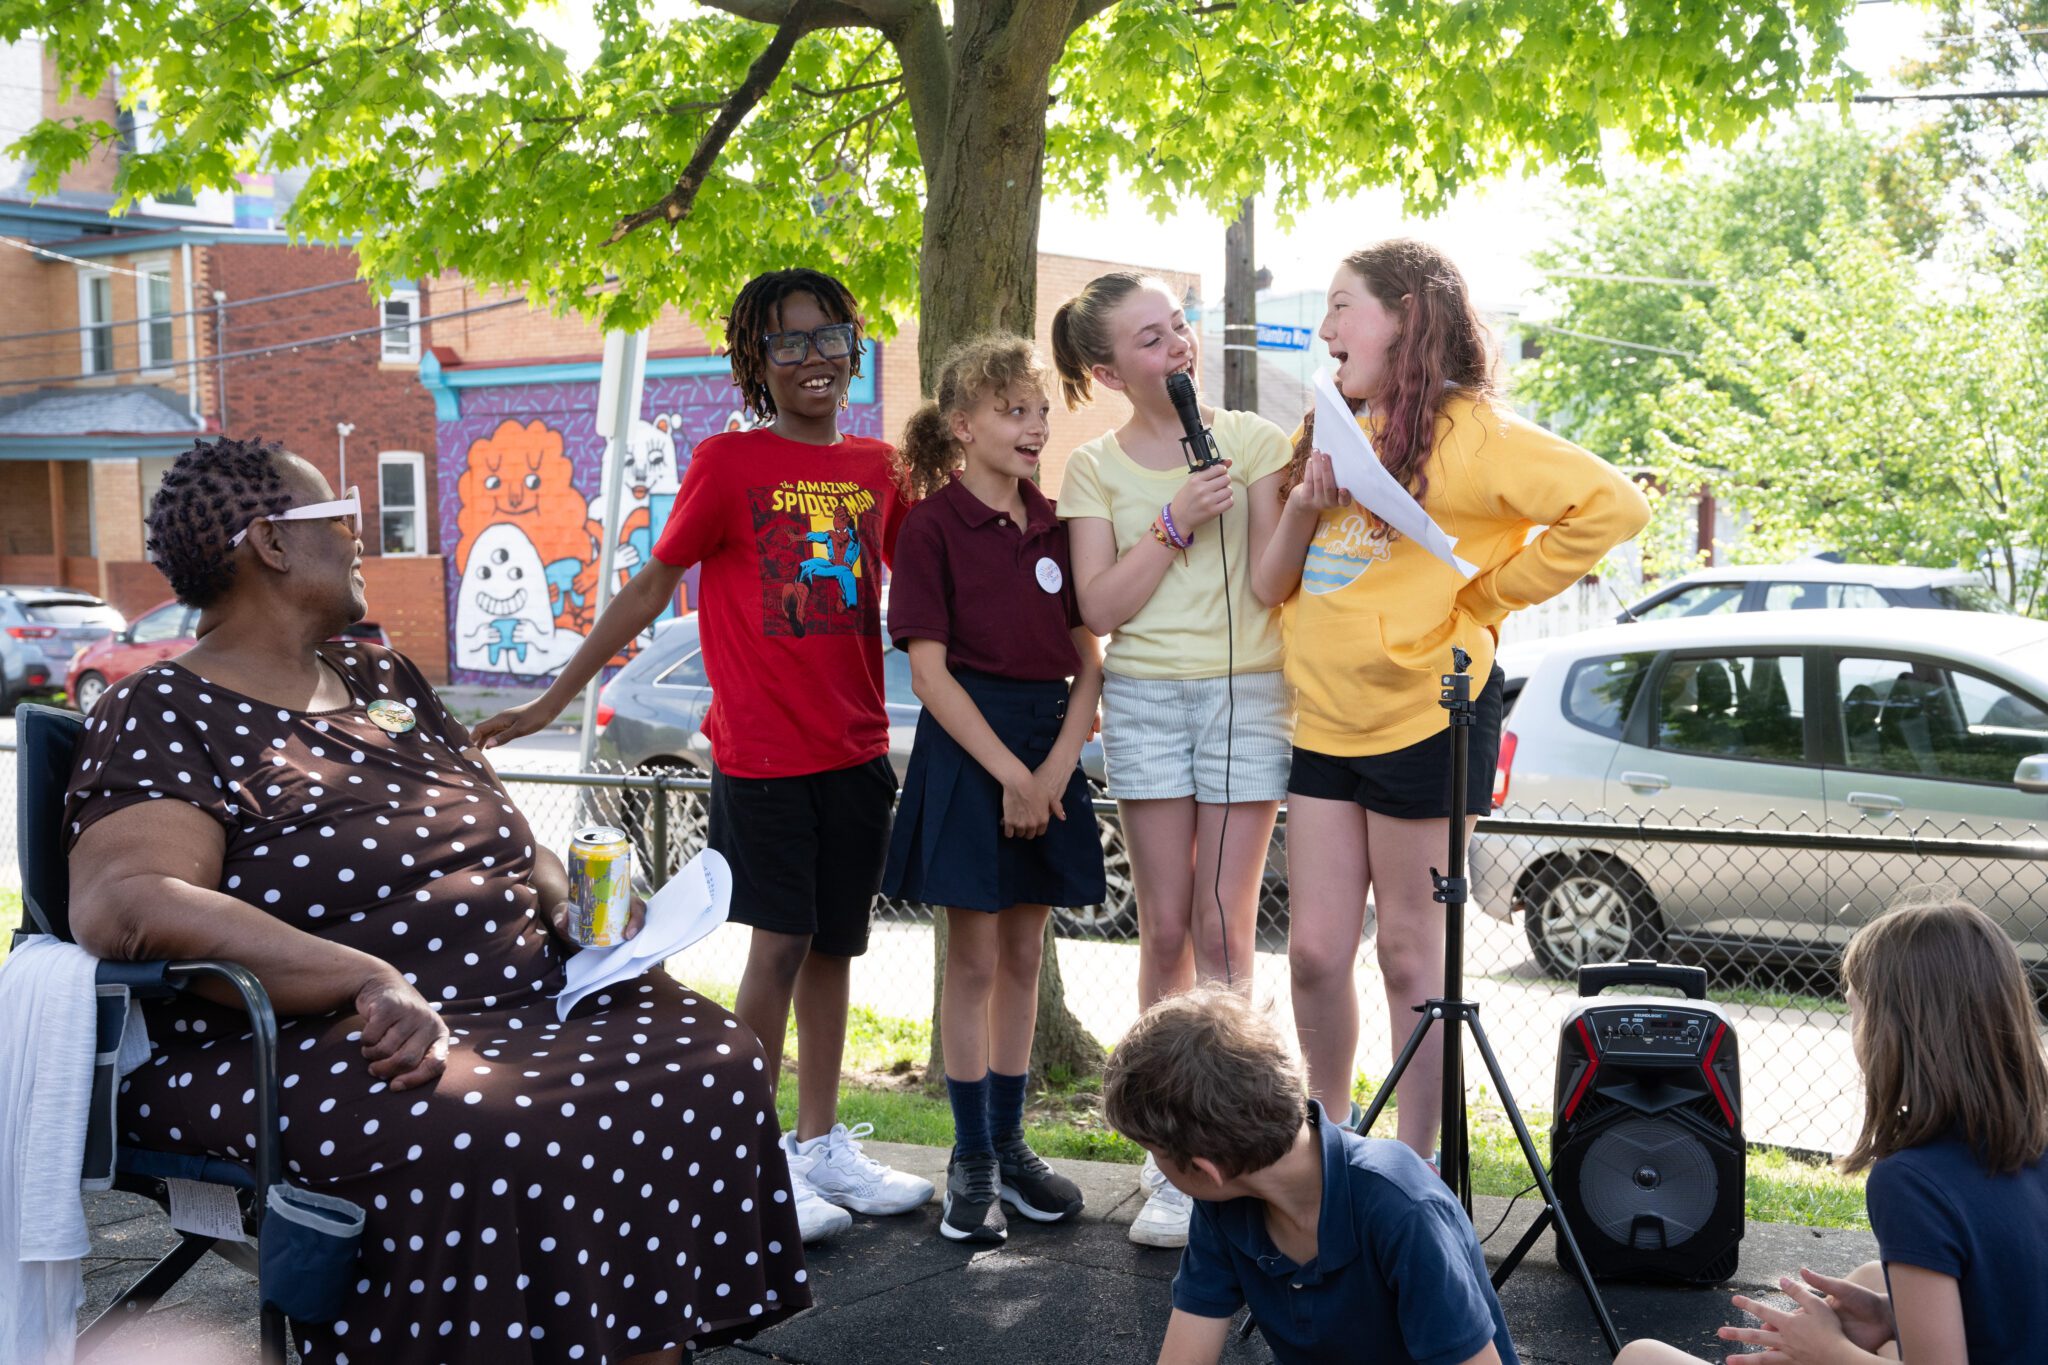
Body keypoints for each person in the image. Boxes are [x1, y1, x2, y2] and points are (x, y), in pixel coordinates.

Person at [65, 436, 807, 1364]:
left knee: (719, 1056)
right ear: (271, 543)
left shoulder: (386, 679)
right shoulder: (163, 709)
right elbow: (128, 900)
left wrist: (582, 909)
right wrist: (364, 975)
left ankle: (638, 1347)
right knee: (488, 1120)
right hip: (302, 1034)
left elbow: (507, 841)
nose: (360, 533)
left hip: (525, 998)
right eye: (340, 513)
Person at [472, 267, 933, 1241]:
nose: (813, 358)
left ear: (854, 346)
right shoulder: (727, 464)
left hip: (857, 750)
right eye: (788, 342)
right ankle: (749, 1161)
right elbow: (649, 590)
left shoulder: (877, 467)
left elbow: (934, 580)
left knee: (835, 946)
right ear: (756, 362)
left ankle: (819, 1146)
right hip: (763, 757)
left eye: (829, 336)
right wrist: (552, 698)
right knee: (780, 945)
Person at [1252, 239, 1649, 1159]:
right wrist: (1305, 500)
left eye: (1343, 306)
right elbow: (1276, 585)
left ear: (1405, 317)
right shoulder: (1330, 426)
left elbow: (1614, 506)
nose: (1325, 328)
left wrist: (1491, 594)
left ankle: (1416, 1163)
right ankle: (1329, 1145)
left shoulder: (1474, 434)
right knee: (1313, 953)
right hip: (1326, 724)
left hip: (1427, 721)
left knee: (1408, 956)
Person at [1051, 271, 1296, 1247]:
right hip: (1147, 697)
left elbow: (1274, 584)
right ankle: (1167, 1155)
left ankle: (1241, 1138)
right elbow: (1099, 607)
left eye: (1179, 326)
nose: (1178, 346)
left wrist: (1290, 505)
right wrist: (1173, 520)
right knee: (1164, 932)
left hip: (1248, 692)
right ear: (1110, 372)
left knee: (1222, 927)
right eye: (1150, 339)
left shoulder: (1254, 441)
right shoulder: (1092, 468)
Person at [1614, 893, 2048, 1365]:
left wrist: (1827, 1350)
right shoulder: (2032, 1136)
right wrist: (1888, 1316)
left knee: (1641, 1356)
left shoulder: (1913, 1183)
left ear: (1890, 1031)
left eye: (1855, 1010)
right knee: (1871, 1279)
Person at [882, 336, 1106, 1245]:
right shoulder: (932, 527)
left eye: (1041, 411)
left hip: (1047, 752)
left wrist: (1051, 771)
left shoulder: (1058, 523)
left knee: (1023, 953)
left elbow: (1091, 663)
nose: (1035, 426)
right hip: (969, 754)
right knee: (972, 960)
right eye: (1015, 411)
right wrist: (1011, 774)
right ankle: (970, 1156)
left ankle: (1011, 1148)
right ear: (962, 425)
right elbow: (929, 674)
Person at [1103, 984, 1516, 1365]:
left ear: (1205, 1169)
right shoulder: (1223, 1205)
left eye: (1153, 1151)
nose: (1153, 1161)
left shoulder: (1404, 1211)